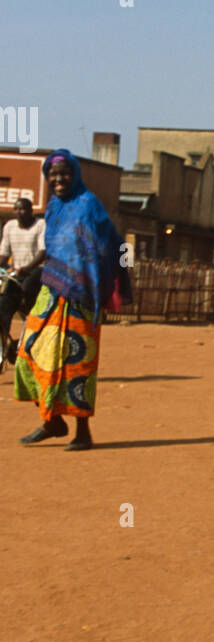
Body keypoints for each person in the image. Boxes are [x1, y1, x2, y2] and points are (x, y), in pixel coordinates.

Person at [15, 150, 130, 449]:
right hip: (51, 289)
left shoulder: (88, 204)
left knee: (77, 363)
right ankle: (52, 421)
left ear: (75, 174)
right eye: (52, 174)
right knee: (30, 350)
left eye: (64, 173)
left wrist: (103, 276)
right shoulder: (53, 207)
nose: (58, 179)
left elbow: (113, 242)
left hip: (82, 295)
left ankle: (83, 432)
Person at [0, 196, 46, 361]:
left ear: (31, 210)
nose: (20, 212)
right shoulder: (10, 227)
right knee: (3, 306)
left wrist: (28, 268)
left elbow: (43, 252)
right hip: (15, 274)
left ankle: (30, 337)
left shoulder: (40, 225)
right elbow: (4, 253)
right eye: (17, 209)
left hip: (36, 271)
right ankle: (4, 344)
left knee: (27, 292)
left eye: (24, 209)